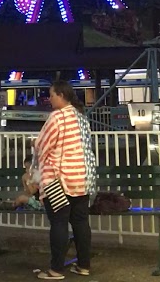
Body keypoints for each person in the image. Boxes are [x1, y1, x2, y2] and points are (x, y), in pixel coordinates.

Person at [33, 80, 97, 279]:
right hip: (83, 179)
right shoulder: (81, 118)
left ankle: (56, 269)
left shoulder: (57, 117)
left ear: (61, 95)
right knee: (80, 223)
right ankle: (84, 265)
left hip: (58, 180)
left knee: (59, 223)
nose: (49, 99)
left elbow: (42, 144)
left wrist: (34, 150)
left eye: (51, 95)